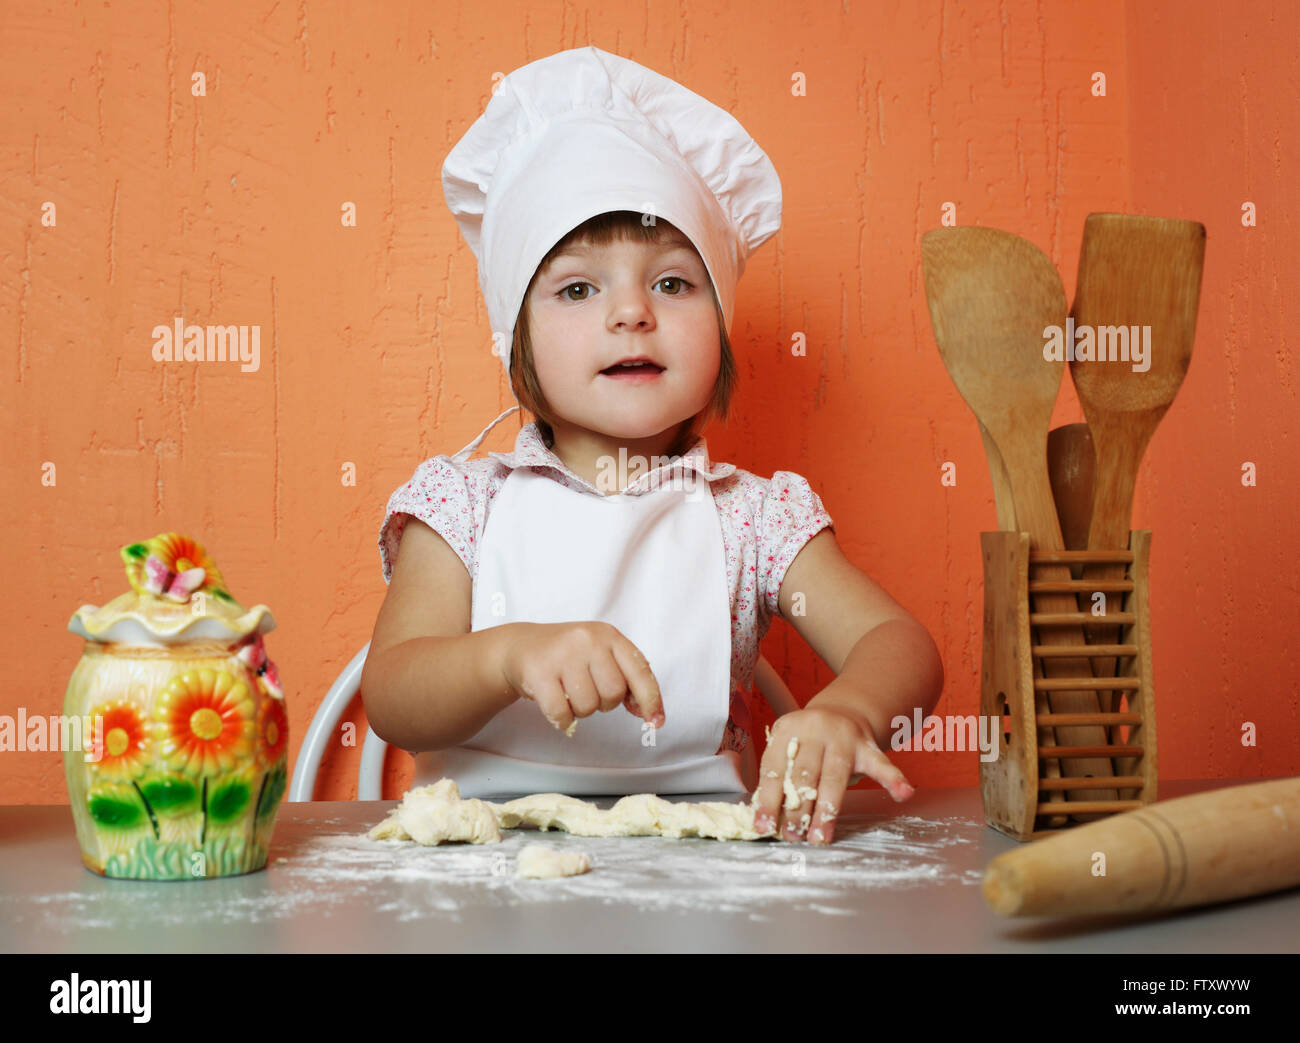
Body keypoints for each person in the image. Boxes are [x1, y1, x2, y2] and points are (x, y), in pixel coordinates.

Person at [362, 46, 943, 844]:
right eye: (577, 288)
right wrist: (506, 657)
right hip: (479, 861)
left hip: (701, 866)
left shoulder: (754, 520)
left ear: (720, 329)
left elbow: (902, 647)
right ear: (517, 340)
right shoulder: (464, 506)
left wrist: (849, 710)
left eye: (672, 282)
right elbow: (392, 694)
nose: (631, 311)